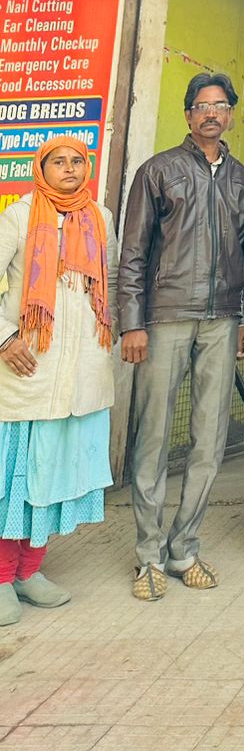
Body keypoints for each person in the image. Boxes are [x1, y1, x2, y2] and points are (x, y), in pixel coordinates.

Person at [118, 71, 244, 600]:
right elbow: (132, 252)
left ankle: (184, 549)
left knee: (210, 438)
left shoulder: (242, 179)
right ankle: (147, 555)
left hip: (221, 319)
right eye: (202, 105)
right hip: (166, 316)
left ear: (230, 114)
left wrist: (242, 316)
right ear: (188, 115)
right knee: (153, 436)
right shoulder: (159, 171)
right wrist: (133, 321)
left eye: (220, 105)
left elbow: (243, 258)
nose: (211, 113)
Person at [0, 138, 114, 623]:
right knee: (15, 482)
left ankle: (29, 572)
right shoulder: (20, 216)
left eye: (76, 161)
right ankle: (2, 577)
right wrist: (5, 337)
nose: (69, 169)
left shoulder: (100, 217)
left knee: (54, 477)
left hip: (80, 375)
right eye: (58, 162)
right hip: (28, 370)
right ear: (40, 167)